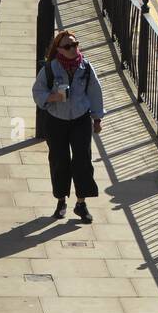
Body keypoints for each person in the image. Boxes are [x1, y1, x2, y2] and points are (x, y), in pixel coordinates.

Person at [32, 30, 105, 223]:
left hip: (81, 119)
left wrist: (97, 119)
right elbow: (37, 91)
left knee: (83, 159)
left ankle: (81, 204)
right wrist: (52, 97)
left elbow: (95, 92)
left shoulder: (86, 67)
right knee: (59, 160)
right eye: (67, 46)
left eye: (75, 44)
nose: (73, 49)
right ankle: (61, 201)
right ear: (59, 50)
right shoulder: (50, 69)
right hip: (56, 120)